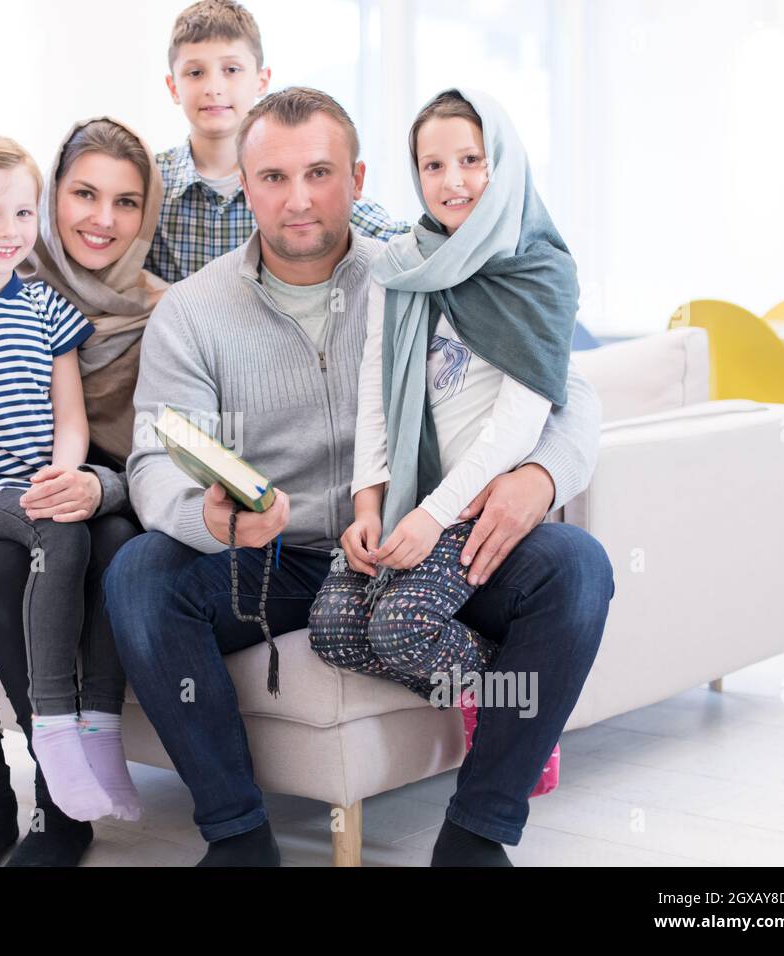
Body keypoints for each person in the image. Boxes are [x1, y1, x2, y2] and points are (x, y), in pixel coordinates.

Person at [102, 87, 614, 867]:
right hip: (273, 557)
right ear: (244, 185)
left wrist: (541, 475)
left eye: (320, 173)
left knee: (578, 568)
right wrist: (211, 522)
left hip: (423, 545)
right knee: (140, 573)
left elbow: (568, 396)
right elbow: (151, 460)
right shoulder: (192, 313)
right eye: (273, 177)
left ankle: (477, 833)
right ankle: (238, 837)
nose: (298, 199)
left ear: (361, 177)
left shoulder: (423, 270)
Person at [308, 87, 588, 802]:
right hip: (403, 499)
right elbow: (377, 394)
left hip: (466, 504)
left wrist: (433, 513)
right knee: (334, 628)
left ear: (503, 162)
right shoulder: (402, 264)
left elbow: (522, 424)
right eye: (433, 165)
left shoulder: (540, 270)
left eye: (472, 159)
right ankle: (505, 684)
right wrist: (367, 504)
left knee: (400, 630)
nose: (453, 180)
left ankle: (513, 711)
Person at [0, 118, 165, 866]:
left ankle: (61, 799)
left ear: (148, 213)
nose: (101, 218)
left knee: (23, 565)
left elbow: (158, 447)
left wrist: (84, 479)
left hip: (121, 500)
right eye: (82, 194)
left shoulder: (165, 311)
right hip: (5, 493)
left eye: (125, 201)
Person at [147, 0, 407, 283]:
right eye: (195, 73)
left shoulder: (301, 182)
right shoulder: (151, 181)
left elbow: (398, 245)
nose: (214, 88)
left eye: (231, 70)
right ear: (173, 87)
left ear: (261, 80)